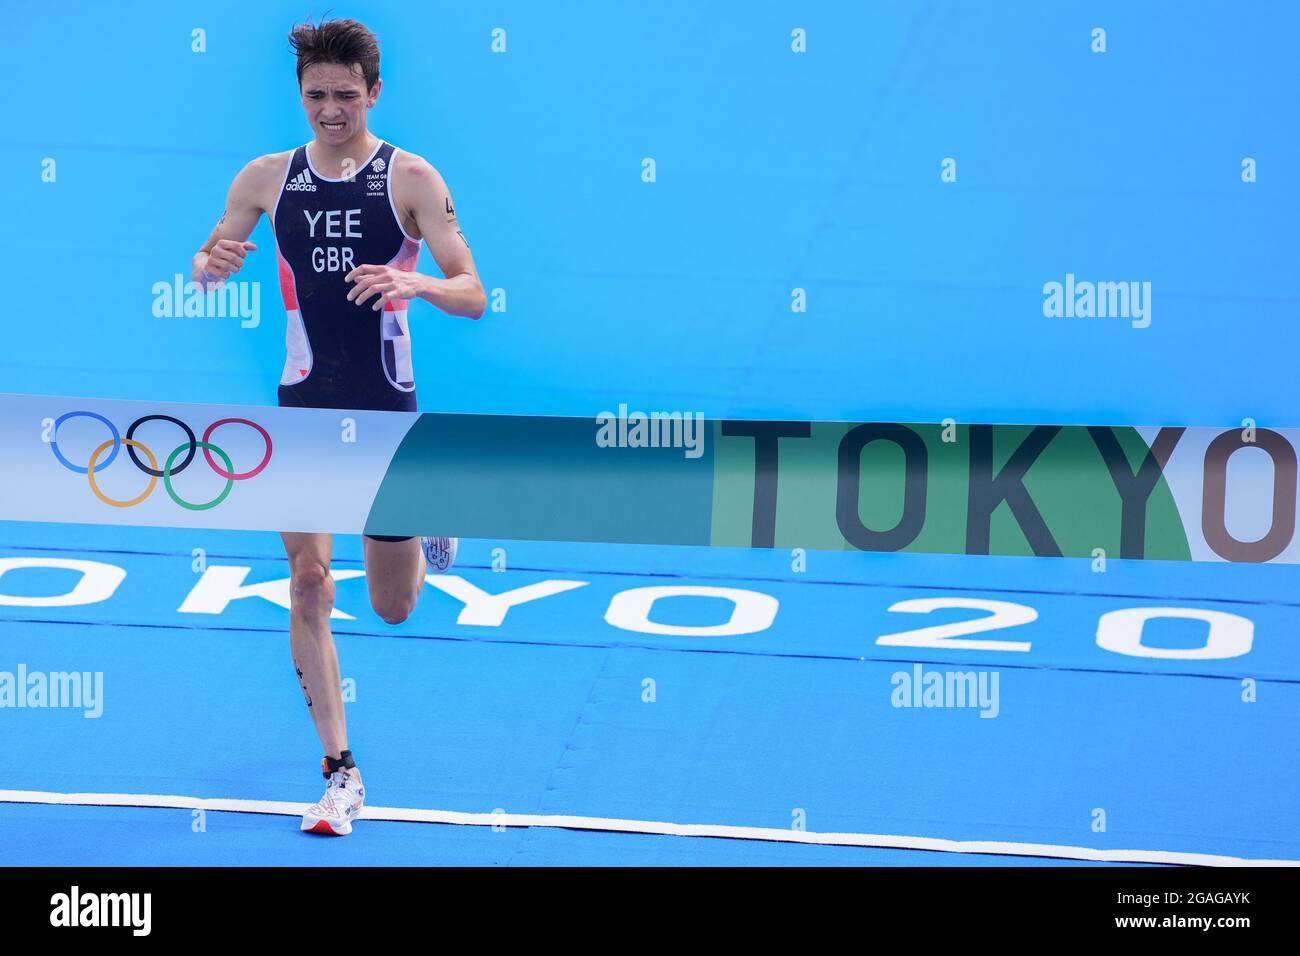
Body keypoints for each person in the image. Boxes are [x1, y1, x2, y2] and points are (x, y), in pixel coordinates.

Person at [190, 17, 486, 835]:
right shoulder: (264, 178)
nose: (329, 111)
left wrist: (416, 284)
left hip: (384, 411)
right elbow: (211, 254)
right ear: (300, 94)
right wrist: (208, 265)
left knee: (393, 607)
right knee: (310, 581)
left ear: (374, 93)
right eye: (316, 96)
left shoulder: (413, 179)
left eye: (345, 97)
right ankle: (340, 773)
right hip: (302, 411)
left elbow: (473, 290)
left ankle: (428, 509)